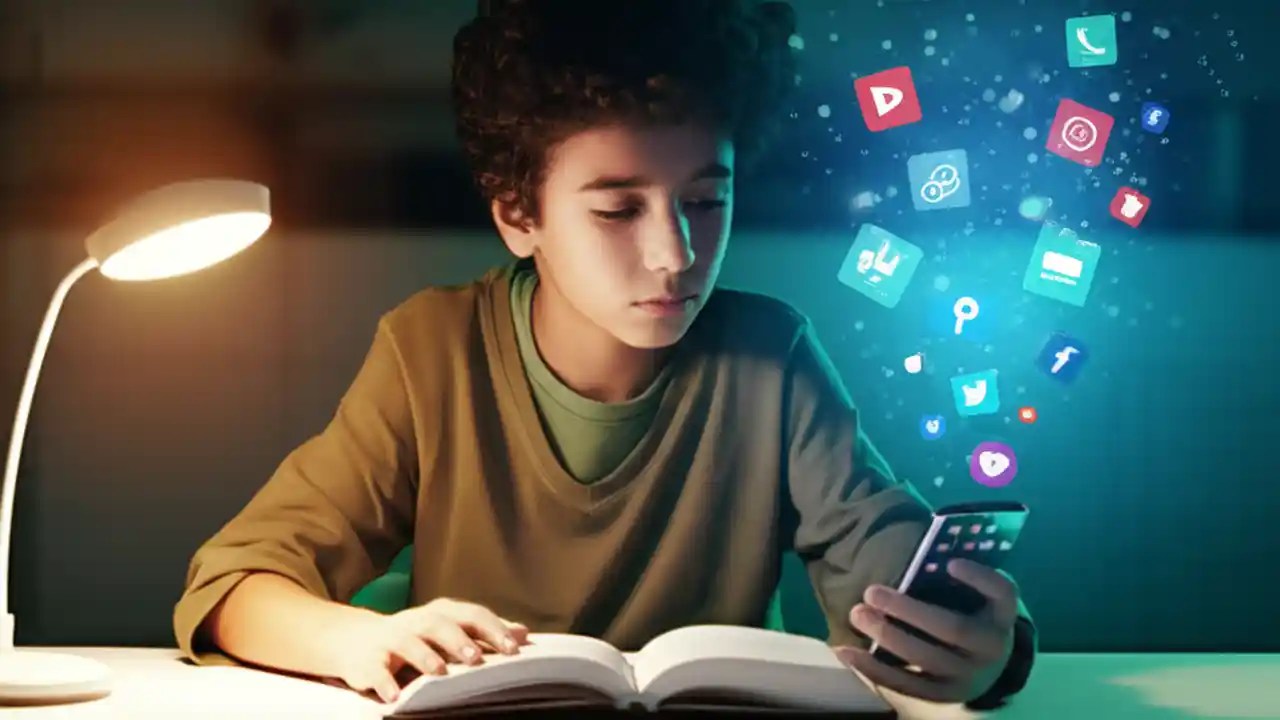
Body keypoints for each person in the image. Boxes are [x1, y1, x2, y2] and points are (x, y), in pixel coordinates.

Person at [173, 0, 1036, 709]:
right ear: (519, 216)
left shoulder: (771, 357)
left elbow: (885, 561)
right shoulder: (429, 351)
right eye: (618, 211)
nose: (675, 253)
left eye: (704, 200)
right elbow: (233, 584)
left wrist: (983, 646)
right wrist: (356, 634)